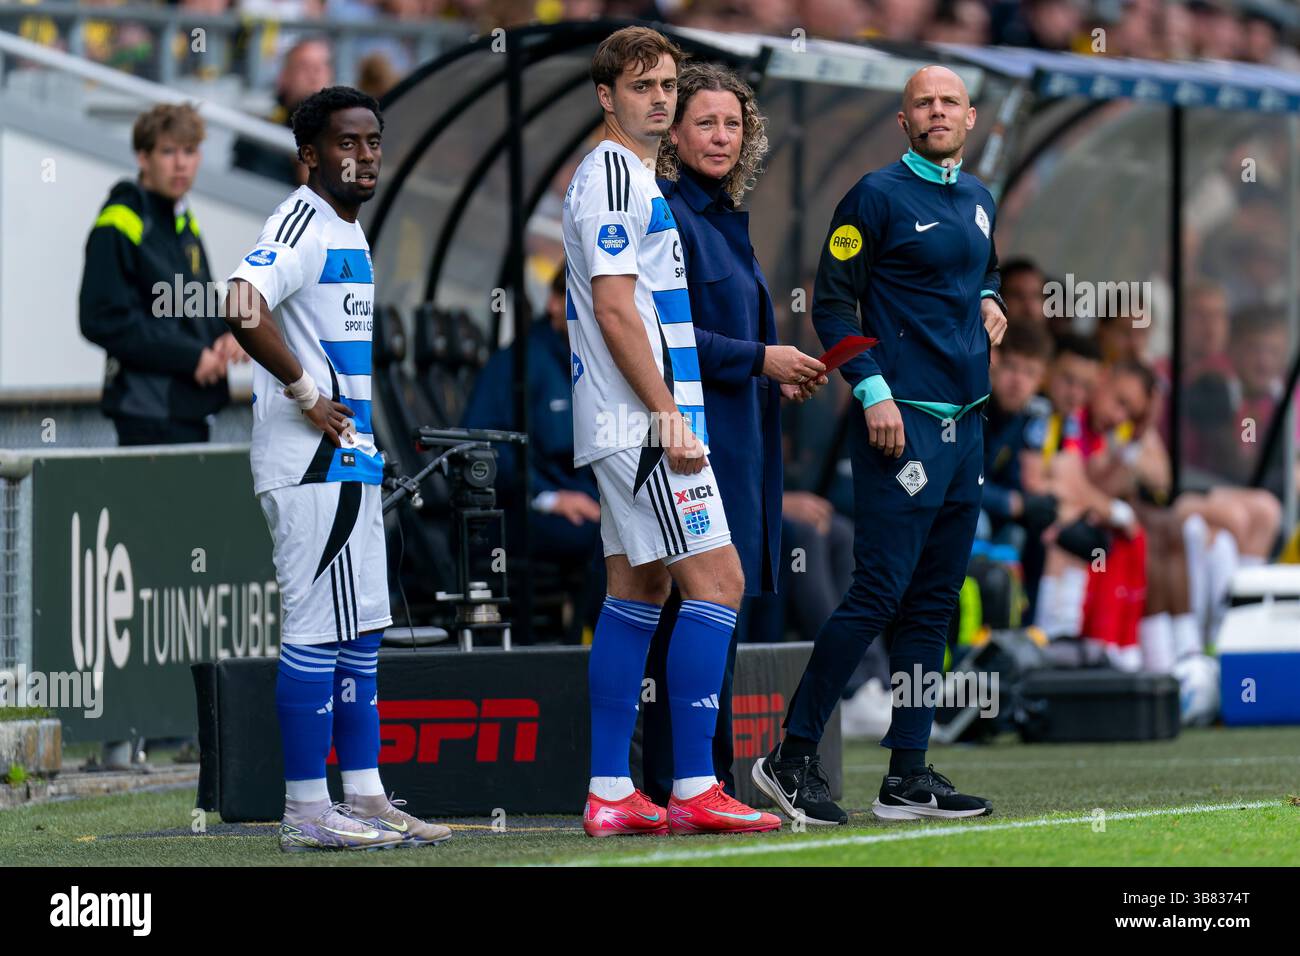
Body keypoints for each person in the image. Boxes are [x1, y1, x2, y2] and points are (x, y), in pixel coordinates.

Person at [752, 65, 1007, 825]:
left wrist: (990, 299)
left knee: (934, 603)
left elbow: (980, 269)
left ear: (970, 116)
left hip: (969, 425)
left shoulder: (981, 197)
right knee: (879, 592)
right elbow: (832, 303)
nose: (936, 111)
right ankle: (789, 757)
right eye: (922, 102)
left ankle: (907, 775)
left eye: (949, 102)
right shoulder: (873, 195)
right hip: (904, 421)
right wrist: (871, 390)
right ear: (904, 122)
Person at [561, 26, 780, 837]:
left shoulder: (625, 174)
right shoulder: (617, 174)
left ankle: (611, 788)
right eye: (642, 86)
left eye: (665, 85)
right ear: (607, 96)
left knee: (638, 590)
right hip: (643, 424)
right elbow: (617, 307)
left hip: (624, 423)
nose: (658, 97)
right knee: (718, 582)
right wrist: (666, 415)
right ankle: (694, 782)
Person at [224, 86, 451, 852]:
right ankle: (305, 809)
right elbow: (241, 302)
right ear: (310, 155)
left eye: (373, 141)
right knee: (317, 634)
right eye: (346, 143)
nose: (363, 156)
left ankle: (365, 795)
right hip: (307, 461)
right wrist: (305, 392)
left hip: (347, 462)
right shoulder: (300, 220)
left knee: (359, 637)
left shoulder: (346, 230)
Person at [640, 62, 826, 805]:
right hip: (692, 445)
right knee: (689, 614)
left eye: (733, 124)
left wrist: (770, 369)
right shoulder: (667, 213)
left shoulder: (720, 214)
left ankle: (705, 781)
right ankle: (675, 783)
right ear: (674, 132)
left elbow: (722, 335)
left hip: (741, 442)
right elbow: (660, 336)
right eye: (705, 123)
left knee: (718, 614)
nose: (722, 137)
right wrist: (761, 357)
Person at [80, 103, 247, 446]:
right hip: (147, 415)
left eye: (189, 151)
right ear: (143, 158)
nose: (181, 163)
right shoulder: (120, 221)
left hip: (190, 409)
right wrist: (191, 357)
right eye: (168, 151)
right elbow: (101, 318)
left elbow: (195, 303)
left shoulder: (182, 218)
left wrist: (231, 334)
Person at [462, 262, 604, 639]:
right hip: (517, 512)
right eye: (584, 301)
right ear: (555, 302)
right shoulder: (518, 363)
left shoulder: (591, 364)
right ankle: (588, 645)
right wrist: (548, 496)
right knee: (605, 540)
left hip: (584, 502)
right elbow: (484, 445)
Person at [232, 37, 333, 185]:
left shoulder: (349, 134)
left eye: (322, 65)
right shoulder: (260, 135)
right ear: (283, 77)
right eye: (304, 65)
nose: (315, 74)